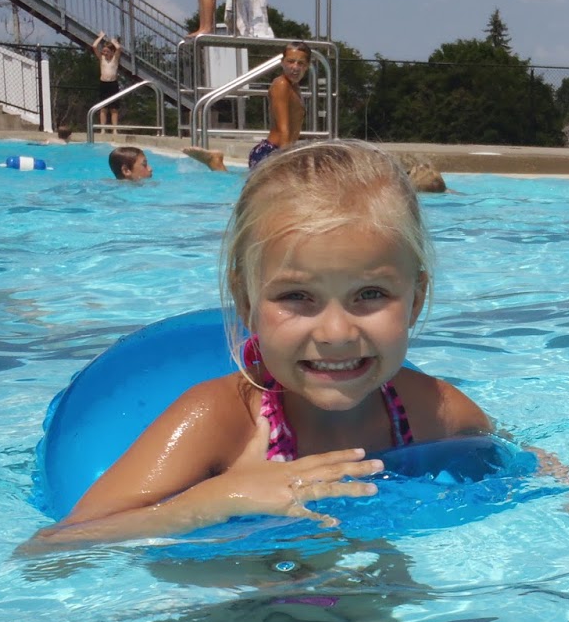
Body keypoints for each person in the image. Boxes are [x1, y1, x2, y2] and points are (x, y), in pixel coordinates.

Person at [32, 141, 492, 546]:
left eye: (370, 294)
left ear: (415, 301)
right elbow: (56, 545)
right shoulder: (218, 422)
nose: (336, 334)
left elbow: (522, 461)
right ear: (247, 302)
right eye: (297, 296)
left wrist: (568, 494)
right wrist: (215, 500)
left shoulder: (430, 407)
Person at [185, 41, 311, 173]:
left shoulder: (294, 87)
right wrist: (286, 161)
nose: (295, 67)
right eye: (290, 61)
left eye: (300, 63)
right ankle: (214, 162)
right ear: (282, 62)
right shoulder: (282, 85)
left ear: (307, 66)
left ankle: (215, 162)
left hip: (279, 152)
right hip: (272, 153)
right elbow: (283, 129)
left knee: (246, 188)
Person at [91, 32, 123, 134]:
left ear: (112, 52)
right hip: (103, 84)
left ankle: (114, 129)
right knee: (103, 108)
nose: (104, 53)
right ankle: (103, 129)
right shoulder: (102, 59)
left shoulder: (115, 59)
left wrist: (114, 42)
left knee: (114, 109)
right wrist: (100, 37)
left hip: (113, 84)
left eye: (107, 51)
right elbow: (94, 46)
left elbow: (119, 49)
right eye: (104, 51)